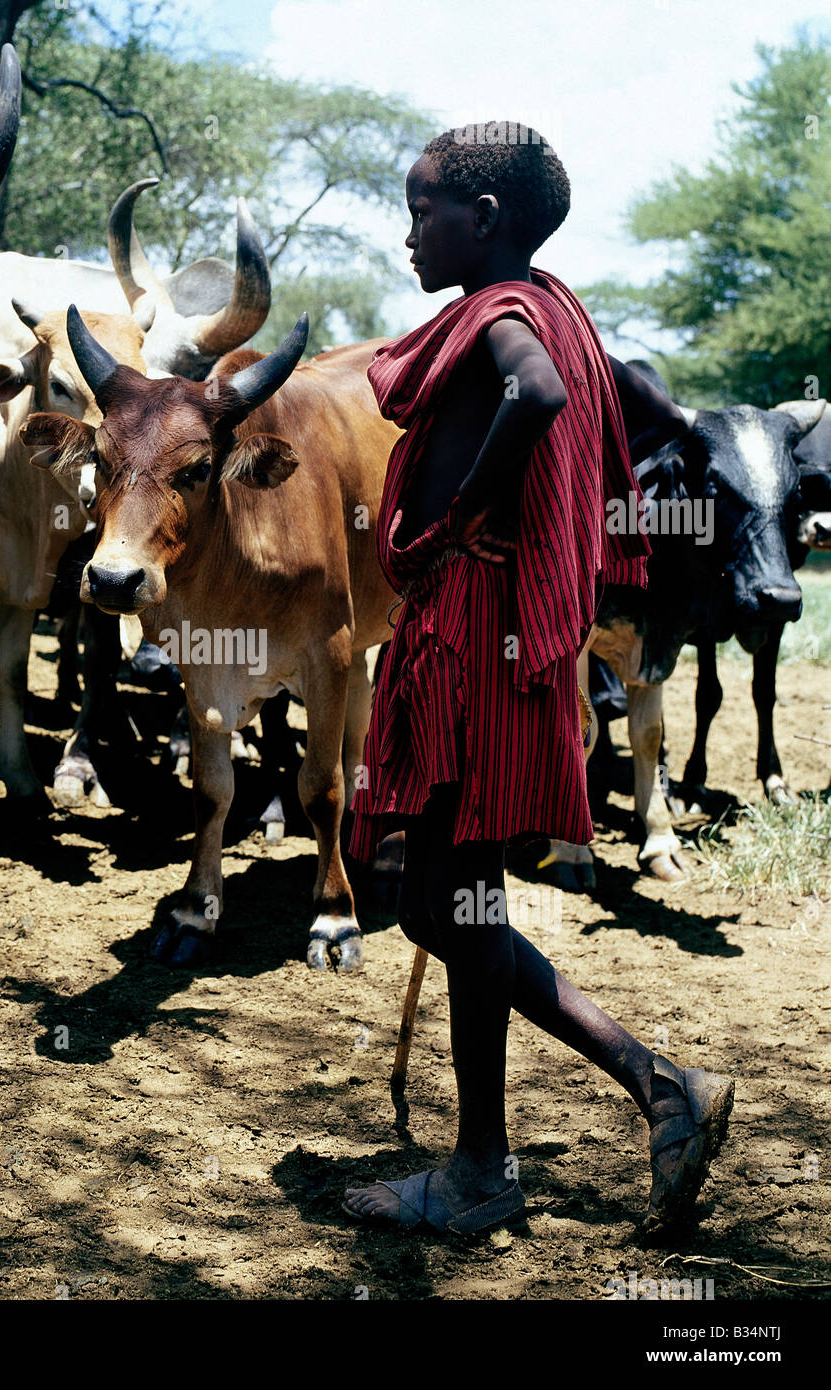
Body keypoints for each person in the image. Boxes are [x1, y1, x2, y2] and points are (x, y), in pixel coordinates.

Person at [342, 122, 733, 1235]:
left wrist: (465, 513)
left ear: (488, 219)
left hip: (469, 639)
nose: (411, 233)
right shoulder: (560, 302)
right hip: (505, 642)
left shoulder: (511, 319)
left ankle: (621, 1103)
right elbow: (641, 415)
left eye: (425, 213)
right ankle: (507, 1150)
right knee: (452, 897)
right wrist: (526, 518)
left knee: (440, 895)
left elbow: (545, 398)